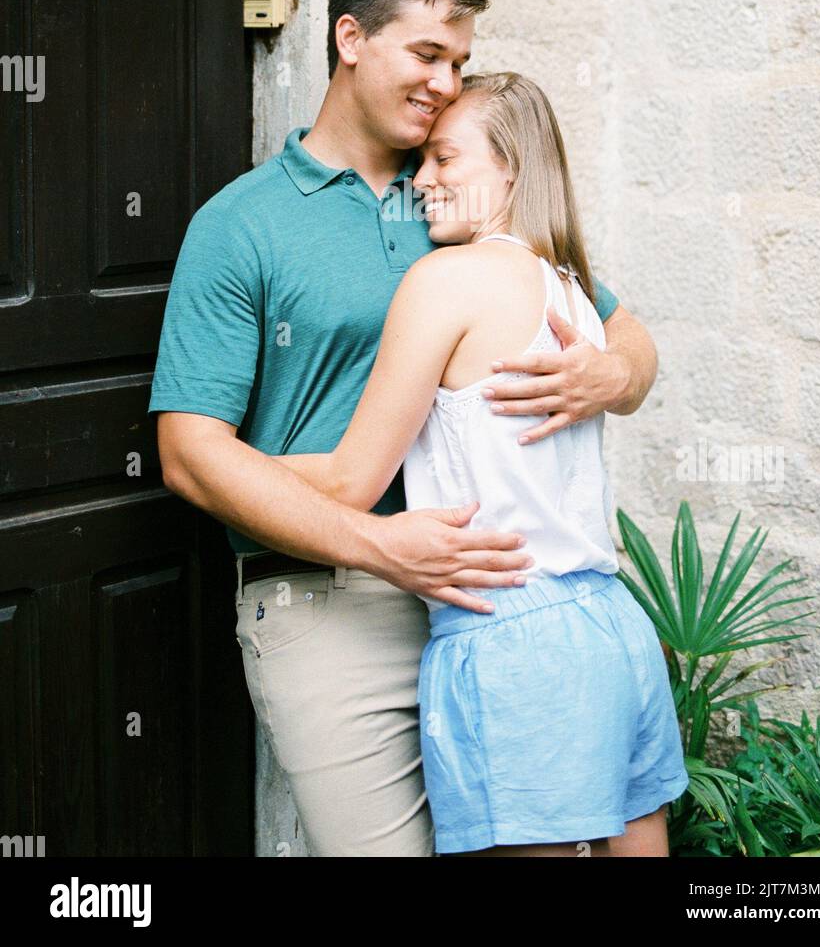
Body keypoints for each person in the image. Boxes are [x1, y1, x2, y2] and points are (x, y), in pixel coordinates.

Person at [151, 0, 659, 857]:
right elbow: (189, 453)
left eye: (458, 62)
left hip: (492, 605)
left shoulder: (459, 196)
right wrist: (381, 545)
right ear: (350, 38)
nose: (443, 81)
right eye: (427, 54)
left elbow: (616, 326)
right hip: (328, 599)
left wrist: (613, 373)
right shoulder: (241, 225)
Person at [271, 71, 688, 857]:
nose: (420, 180)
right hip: (608, 626)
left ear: (511, 169)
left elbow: (351, 483)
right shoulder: (568, 288)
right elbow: (631, 355)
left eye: (443, 159)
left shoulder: (448, 279)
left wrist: (206, 462)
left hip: (508, 637)